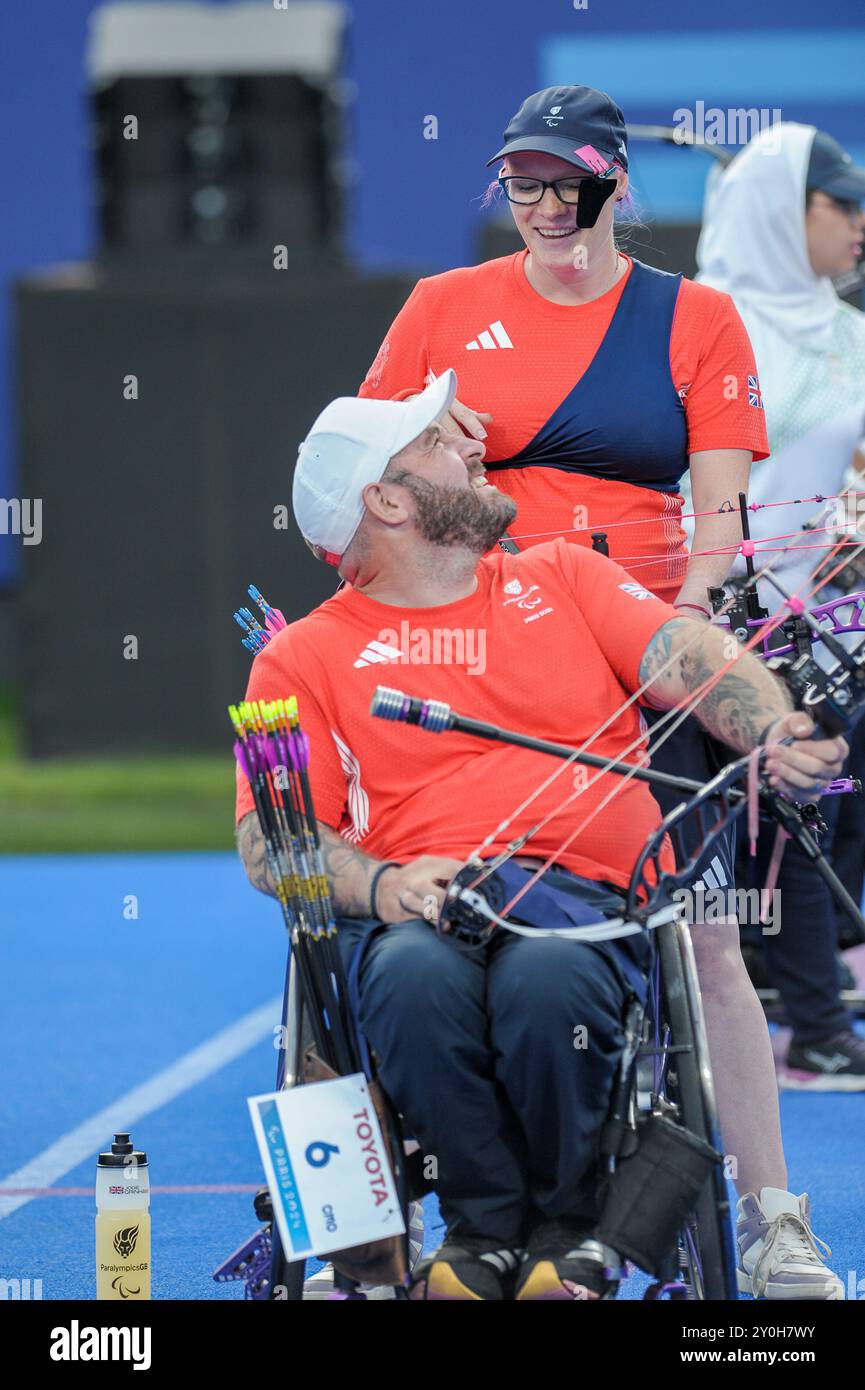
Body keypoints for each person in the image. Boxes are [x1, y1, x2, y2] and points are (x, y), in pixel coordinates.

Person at [235, 374, 846, 1299]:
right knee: (413, 976)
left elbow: (688, 658)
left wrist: (771, 724)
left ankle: (559, 1234)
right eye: (440, 443)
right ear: (387, 500)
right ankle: (483, 1235)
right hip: (417, 915)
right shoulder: (301, 654)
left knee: (545, 972)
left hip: (582, 904)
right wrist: (383, 882)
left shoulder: (560, 574)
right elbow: (271, 845)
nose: (472, 449)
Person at [355, 84, 817, 1293]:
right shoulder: (440, 308)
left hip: (638, 646)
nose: (546, 205)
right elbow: (361, 476)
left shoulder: (693, 315)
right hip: (482, 644)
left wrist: (698, 611)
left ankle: (772, 1219)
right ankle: (451, 1208)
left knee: (709, 943)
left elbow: (719, 516)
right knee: (445, 916)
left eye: (568, 181)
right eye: (523, 182)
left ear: (615, 182)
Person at [694, 122, 865, 1087]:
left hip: (838, 616)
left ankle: (800, 992)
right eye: (837, 203)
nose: (856, 222)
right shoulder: (707, 322)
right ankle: (812, 1023)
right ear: (778, 212)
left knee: (829, 808)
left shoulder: (848, 331)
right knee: (786, 813)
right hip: (731, 616)